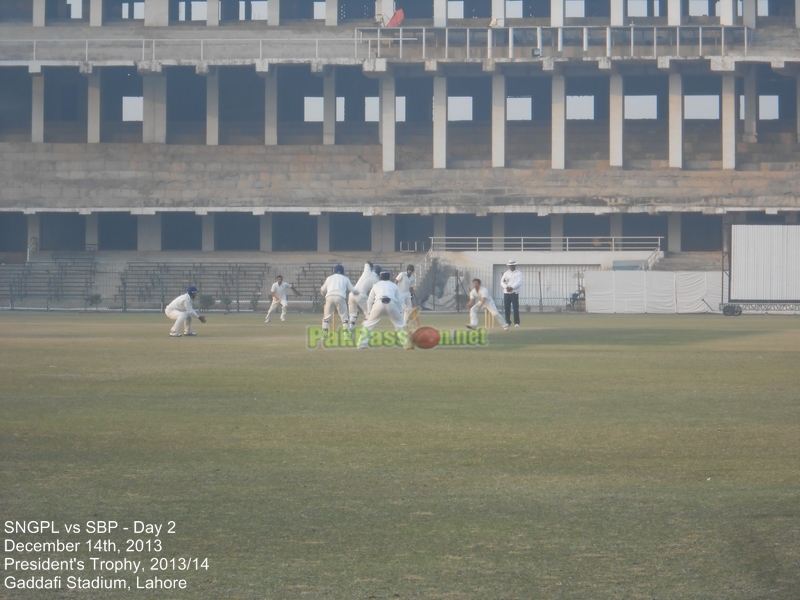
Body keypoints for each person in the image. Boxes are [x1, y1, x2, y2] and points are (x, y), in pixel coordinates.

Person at [357, 270, 411, 350]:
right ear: (389, 277)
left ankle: (361, 345)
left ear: (380, 277)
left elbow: (370, 301)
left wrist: (369, 313)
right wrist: (400, 311)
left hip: (378, 304)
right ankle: (406, 345)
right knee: (400, 325)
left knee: (369, 325)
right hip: (391, 304)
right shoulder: (394, 286)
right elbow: (400, 300)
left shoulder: (376, 285)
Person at [320, 264, 355, 339]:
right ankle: (346, 335)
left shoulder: (329, 278)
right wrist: (358, 292)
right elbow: (352, 289)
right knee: (344, 317)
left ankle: (324, 335)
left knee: (326, 317)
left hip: (329, 297)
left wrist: (324, 294)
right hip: (340, 297)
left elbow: (322, 290)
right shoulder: (345, 279)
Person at [348, 261, 379, 328]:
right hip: (361, 296)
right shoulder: (376, 280)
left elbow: (366, 263)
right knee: (369, 314)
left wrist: (370, 264)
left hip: (352, 294)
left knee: (353, 315)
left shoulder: (367, 271)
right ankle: (364, 329)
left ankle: (350, 330)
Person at [501, 259, 523, 328]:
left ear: (515, 265)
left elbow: (519, 282)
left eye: (513, 265)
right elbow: (502, 282)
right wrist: (506, 287)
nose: (512, 266)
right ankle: (507, 322)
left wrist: (512, 287)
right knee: (507, 308)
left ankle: (517, 323)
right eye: (510, 265)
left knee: (515, 308)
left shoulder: (519, 273)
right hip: (506, 293)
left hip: (514, 292)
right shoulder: (506, 273)